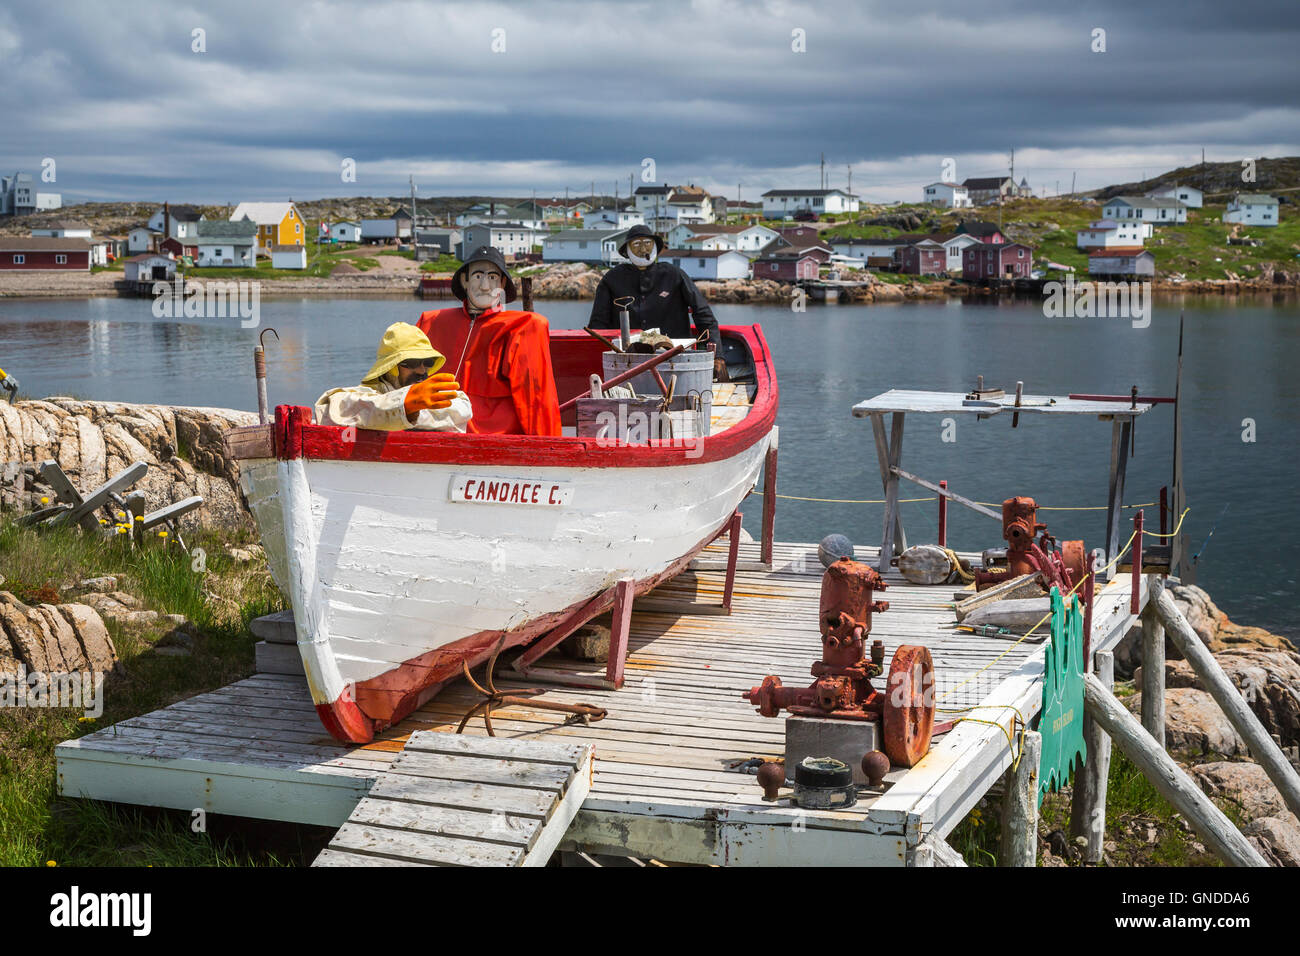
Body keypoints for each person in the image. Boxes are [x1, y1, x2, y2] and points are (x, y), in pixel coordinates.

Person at [417, 246, 561, 437]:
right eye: (477, 276)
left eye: (492, 277)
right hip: (434, 429)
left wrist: (548, 447)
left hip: (493, 439)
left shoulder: (522, 327)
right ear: (464, 280)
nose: (485, 285)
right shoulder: (431, 322)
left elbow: (536, 399)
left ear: (502, 283)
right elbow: (402, 382)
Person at [588, 224, 726, 380]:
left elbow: (703, 315)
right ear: (626, 251)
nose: (643, 249)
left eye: (647, 243)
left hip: (676, 359)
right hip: (626, 363)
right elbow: (598, 325)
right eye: (636, 245)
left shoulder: (674, 275)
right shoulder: (611, 279)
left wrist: (717, 356)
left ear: (656, 246)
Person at [313, 322, 472, 432]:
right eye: (412, 362)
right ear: (390, 368)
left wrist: (413, 409)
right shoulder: (368, 396)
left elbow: (462, 409)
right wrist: (402, 405)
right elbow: (330, 407)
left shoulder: (449, 399)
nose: (421, 369)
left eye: (427, 362)